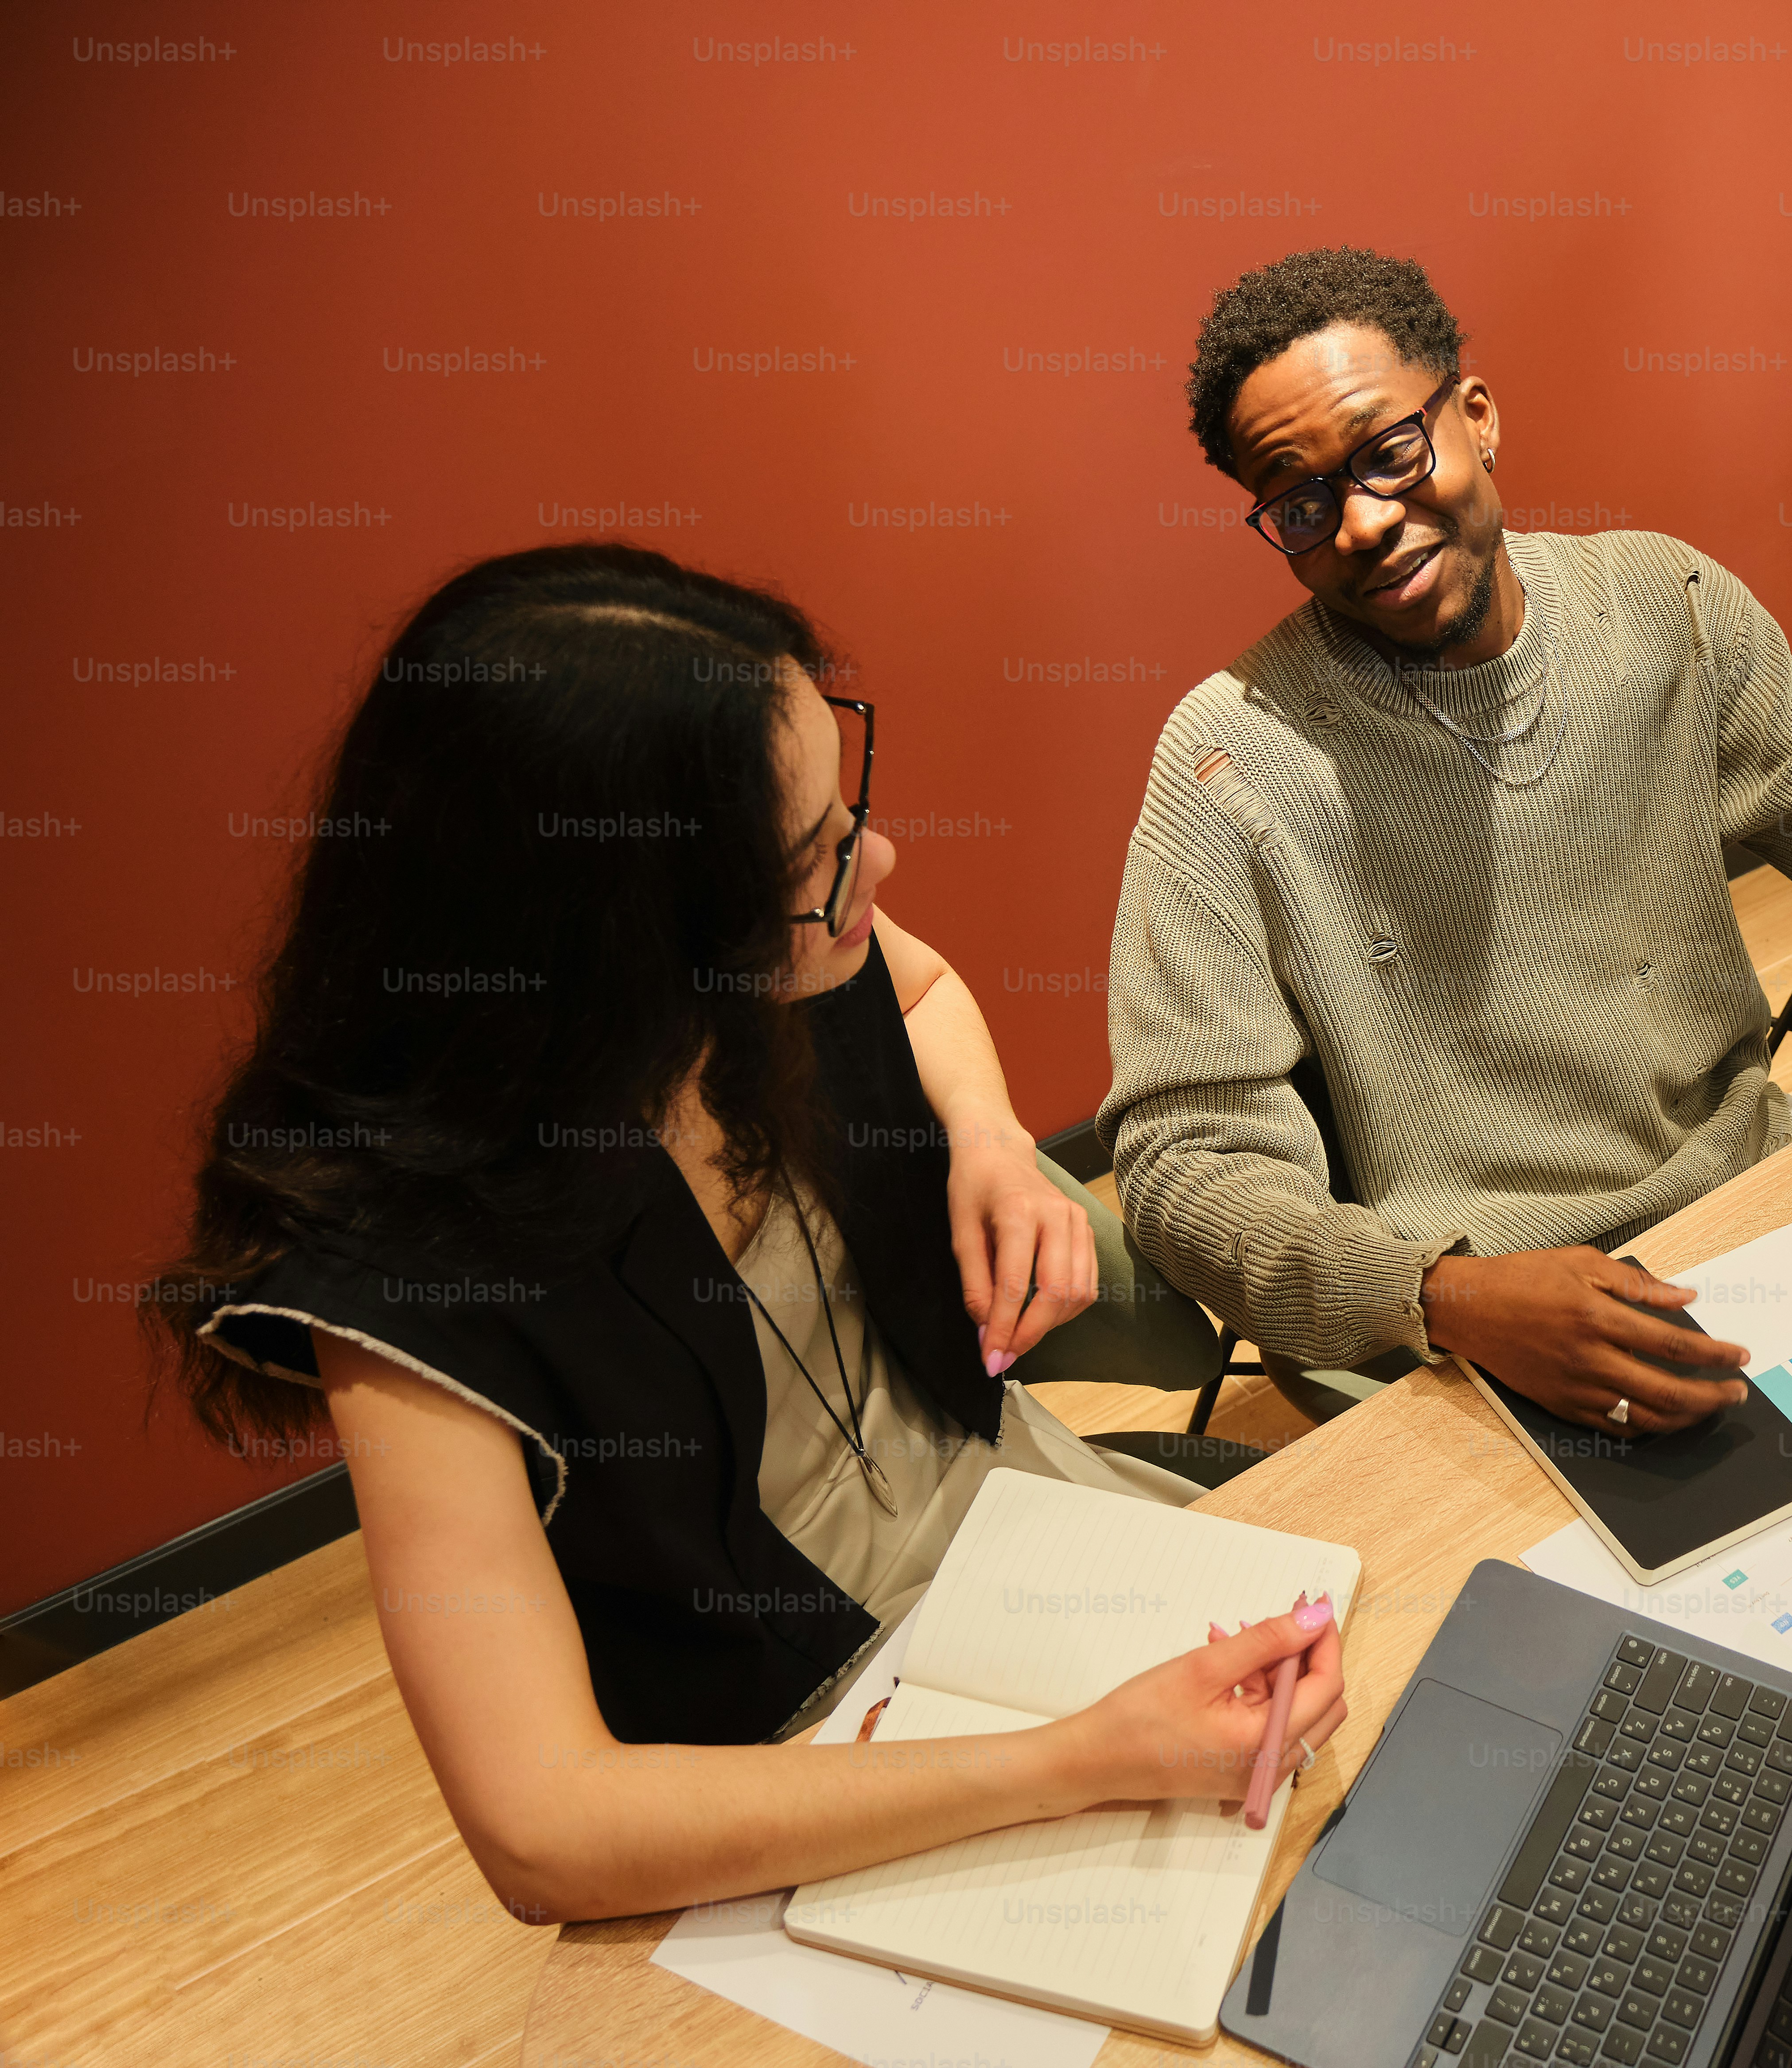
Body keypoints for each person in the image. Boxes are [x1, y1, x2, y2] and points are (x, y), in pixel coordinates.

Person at [148, 545, 1346, 1923]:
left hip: (1032, 1522)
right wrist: (1076, 1763)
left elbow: (931, 983)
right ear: (612, 944)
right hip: (798, 1755)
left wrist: (992, 1138)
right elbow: (546, 1830)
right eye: (814, 861)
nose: (873, 867)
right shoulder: (412, 1289)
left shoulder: (783, 960)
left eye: (848, 815)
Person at [1100, 247, 1792, 1435]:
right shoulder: (1227, 763)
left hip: (1760, 1195)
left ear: (1477, 416)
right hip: (1494, 1321)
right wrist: (1444, 1293)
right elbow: (1186, 1160)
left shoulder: (1658, 603)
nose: (1364, 522)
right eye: (1305, 502)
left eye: (1390, 453)